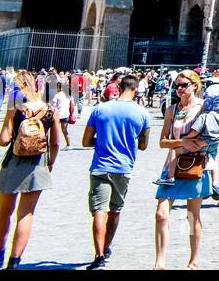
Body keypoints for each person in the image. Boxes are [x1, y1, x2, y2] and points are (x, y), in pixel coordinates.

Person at [82, 73, 150, 269]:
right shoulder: (142, 113)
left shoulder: (100, 109)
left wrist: (102, 142)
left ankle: (98, 256)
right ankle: (108, 246)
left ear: (118, 87)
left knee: (99, 212)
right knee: (114, 210)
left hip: (100, 167)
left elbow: (86, 141)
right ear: (136, 90)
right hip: (123, 168)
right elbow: (144, 145)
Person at [0, 72, 59, 269]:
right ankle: (15, 260)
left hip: (13, 163)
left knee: (5, 211)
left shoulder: (16, 108)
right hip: (37, 164)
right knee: (26, 214)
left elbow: (3, 140)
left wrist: (8, 118)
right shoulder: (50, 110)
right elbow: (55, 143)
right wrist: (50, 164)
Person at [153, 70, 211, 270]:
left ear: (195, 85)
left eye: (183, 85)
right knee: (161, 213)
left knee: (192, 215)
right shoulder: (171, 109)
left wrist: (200, 145)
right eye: (176, 85)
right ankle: (159, 263)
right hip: (171, 165)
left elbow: (215, 134)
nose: (179, 89)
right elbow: (162, 141)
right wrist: (183, 142)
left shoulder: (205, 107)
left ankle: (194, 260)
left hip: (194, 165)